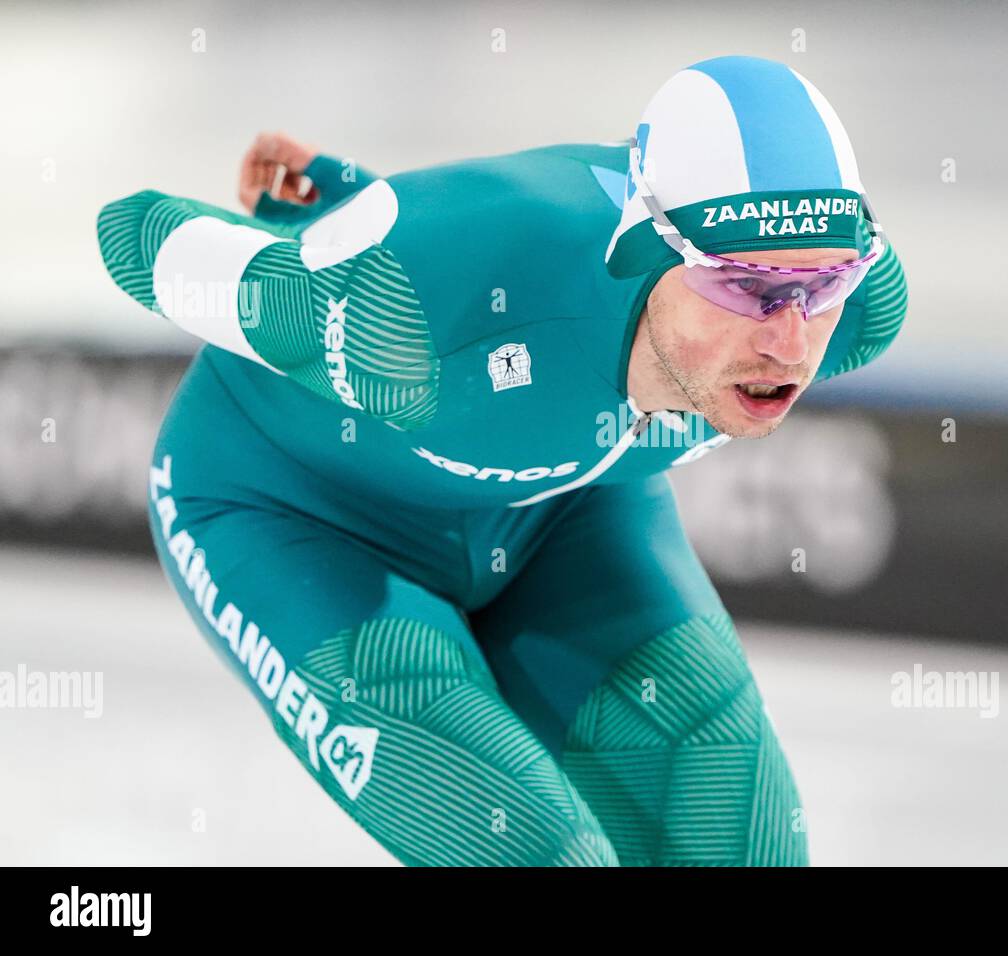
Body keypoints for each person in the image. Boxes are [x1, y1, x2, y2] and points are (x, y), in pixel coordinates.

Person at [96, 55, 908, 866]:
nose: (789, 340)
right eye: (746, 286)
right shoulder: (399, 335)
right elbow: (127, 228)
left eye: (825, 285)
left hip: (558, 513)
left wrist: (357, 205)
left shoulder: (860, 314)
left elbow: (509, 295)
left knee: (739, 844)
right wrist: (317, 263)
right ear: (650, 246)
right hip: (292, 515)